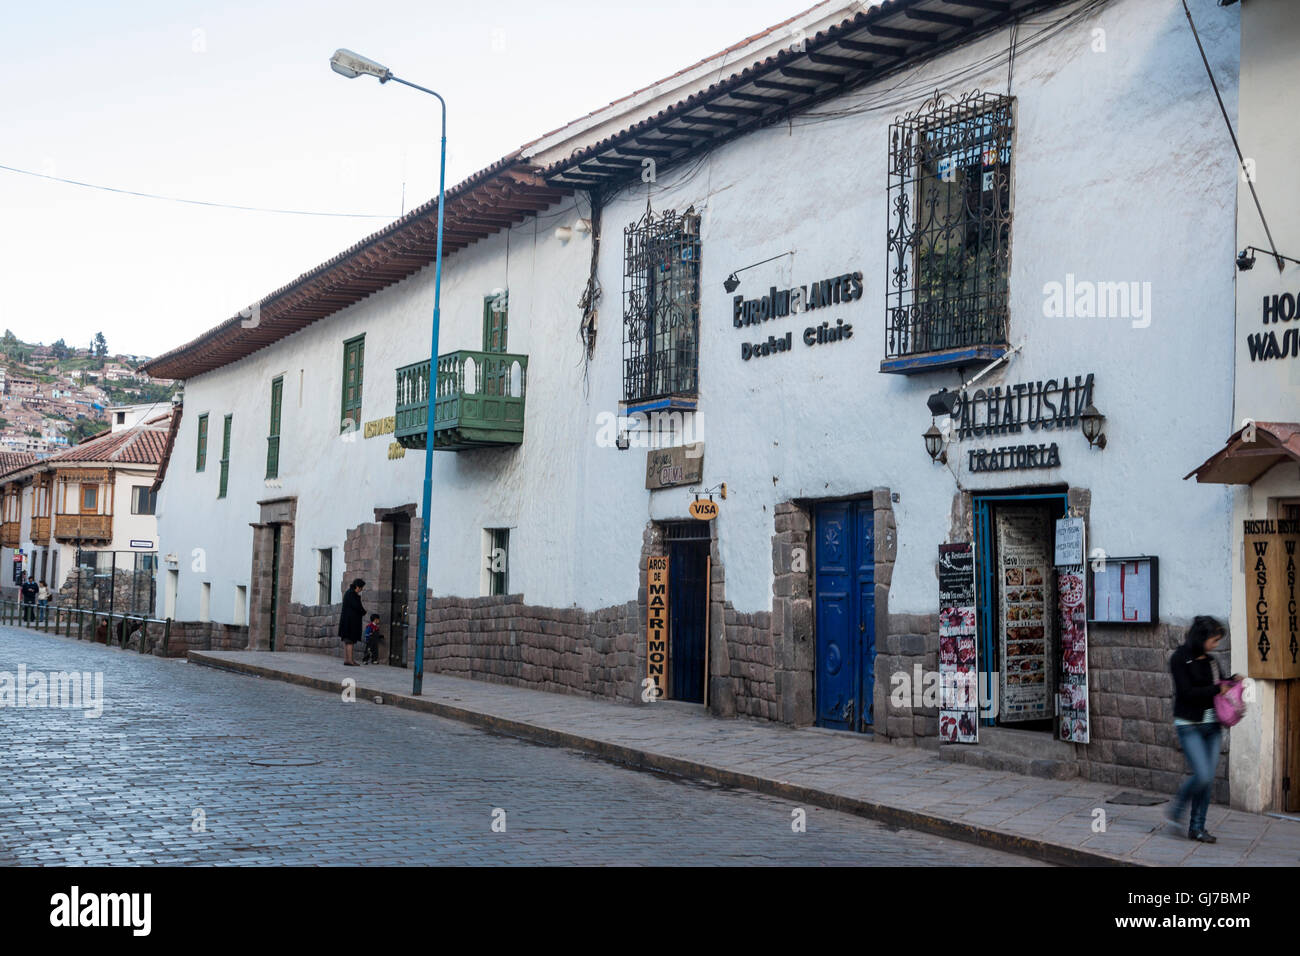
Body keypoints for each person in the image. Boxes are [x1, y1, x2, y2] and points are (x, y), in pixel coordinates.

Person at [1166, 616, 1240, 843]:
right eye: (1214, 640)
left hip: (1212, 727)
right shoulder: (1179, 659)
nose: (1215, 645)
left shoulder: (1211, 661)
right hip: (1189, 726)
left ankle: (1197, 827)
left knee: (1207, 780)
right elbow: (1187, 693)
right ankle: (1178, 807)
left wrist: (1233, 681)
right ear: (1201, 637)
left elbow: (1219, 684)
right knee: (1204, 775)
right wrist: (1217, 691)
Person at [338, 578, 365, 667]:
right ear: (357, 586)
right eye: (360, 588)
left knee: (347, 641)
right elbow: (357, 607)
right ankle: (350, 660)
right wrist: (363, 611)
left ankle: (347, 660)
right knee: (350, 641)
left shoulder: (349, 593)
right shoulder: (352, 594)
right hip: (350, 622)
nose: (361, 590)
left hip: (347, 621)